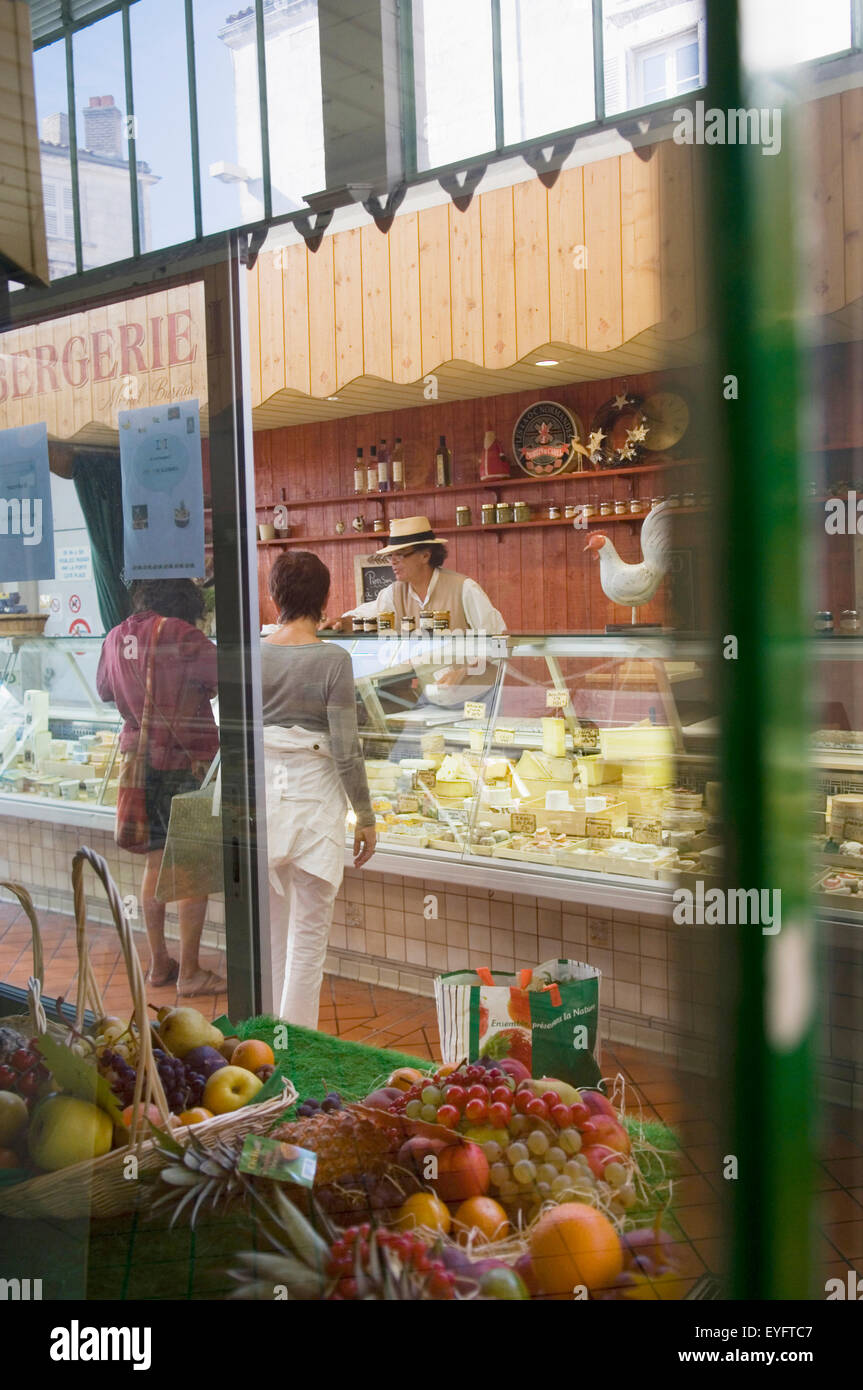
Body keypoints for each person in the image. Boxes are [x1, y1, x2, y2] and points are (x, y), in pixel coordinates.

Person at [262, 550, 376, 1026]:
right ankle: (296, 1045)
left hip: (263, 800)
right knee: (308, 940)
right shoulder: (334, 660)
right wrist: (365, 816)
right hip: (315, 808)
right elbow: (346, 749)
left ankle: (263, 1042)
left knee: (271, 935)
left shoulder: (254, 653)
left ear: (275, 596)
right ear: (326, 598)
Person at [96, 579, 224, 996]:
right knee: (191, 866)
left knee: (154, 863)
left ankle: (157, 964)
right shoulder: (180, 633)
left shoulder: (116, 635)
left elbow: (103, 690)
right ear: (186, 603)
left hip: (138, 761)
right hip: (186, 760)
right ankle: (189, 972)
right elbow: (226, 677)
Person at [333, 514, 505, 706]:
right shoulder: (393, 594)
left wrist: (463, 672)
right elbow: (367, 615)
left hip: (477, 698)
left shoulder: (464, 588)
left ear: (425, 555)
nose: (393, 562)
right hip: (431, 699)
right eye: (391, 555)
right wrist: (342, 622)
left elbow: (500, 641)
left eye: (401, 554)